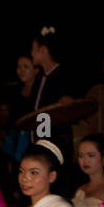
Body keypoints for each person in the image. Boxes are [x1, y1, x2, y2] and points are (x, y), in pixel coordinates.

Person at [28, 27, 75, 165]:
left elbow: (65, 110)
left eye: (33, 49)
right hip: (39, 142)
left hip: (55, 145)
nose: (31, 53)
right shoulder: (40, 78)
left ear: (43, 50)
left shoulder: (63, 75)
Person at [1, 53, 38, 165]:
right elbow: (12, 119)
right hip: (15, 135)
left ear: (36, 70)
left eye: (26, 67)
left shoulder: (39, 91)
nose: (21, 70)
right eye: (19, 67)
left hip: (32, 135)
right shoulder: (16, 90)